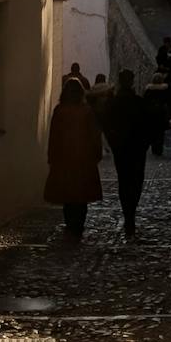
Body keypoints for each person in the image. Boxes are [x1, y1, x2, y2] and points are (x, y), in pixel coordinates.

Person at [43, 76, 103, 239]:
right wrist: (97, 153)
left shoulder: (59, 110)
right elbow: (94, 135)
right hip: (83, 158)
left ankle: (70, 223)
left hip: (64, 158)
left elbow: (54, 136)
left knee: (68, 194)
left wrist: (52, 157)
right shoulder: (86, 111)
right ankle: (78, 224)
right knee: (81, 194)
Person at [101, 69, 150, 239]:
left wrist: (113, 143)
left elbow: (106, 125)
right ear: (131, 82)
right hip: (137, 149)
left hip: (121, 149)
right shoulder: (139, 102)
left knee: (124, 181)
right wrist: (144, 144)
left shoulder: (112, 103)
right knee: (136, 181)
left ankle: (128, 214)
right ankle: (131, 213)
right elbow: (148, 126)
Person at [142, 71, 170, 157]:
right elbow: (167, 102)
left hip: (151, 114)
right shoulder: (165, 90)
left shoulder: (148, 90)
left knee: (152, 132)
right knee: (160, 133)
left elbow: (144, 103)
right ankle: (159, 149)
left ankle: (154, 148)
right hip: (161, 114)